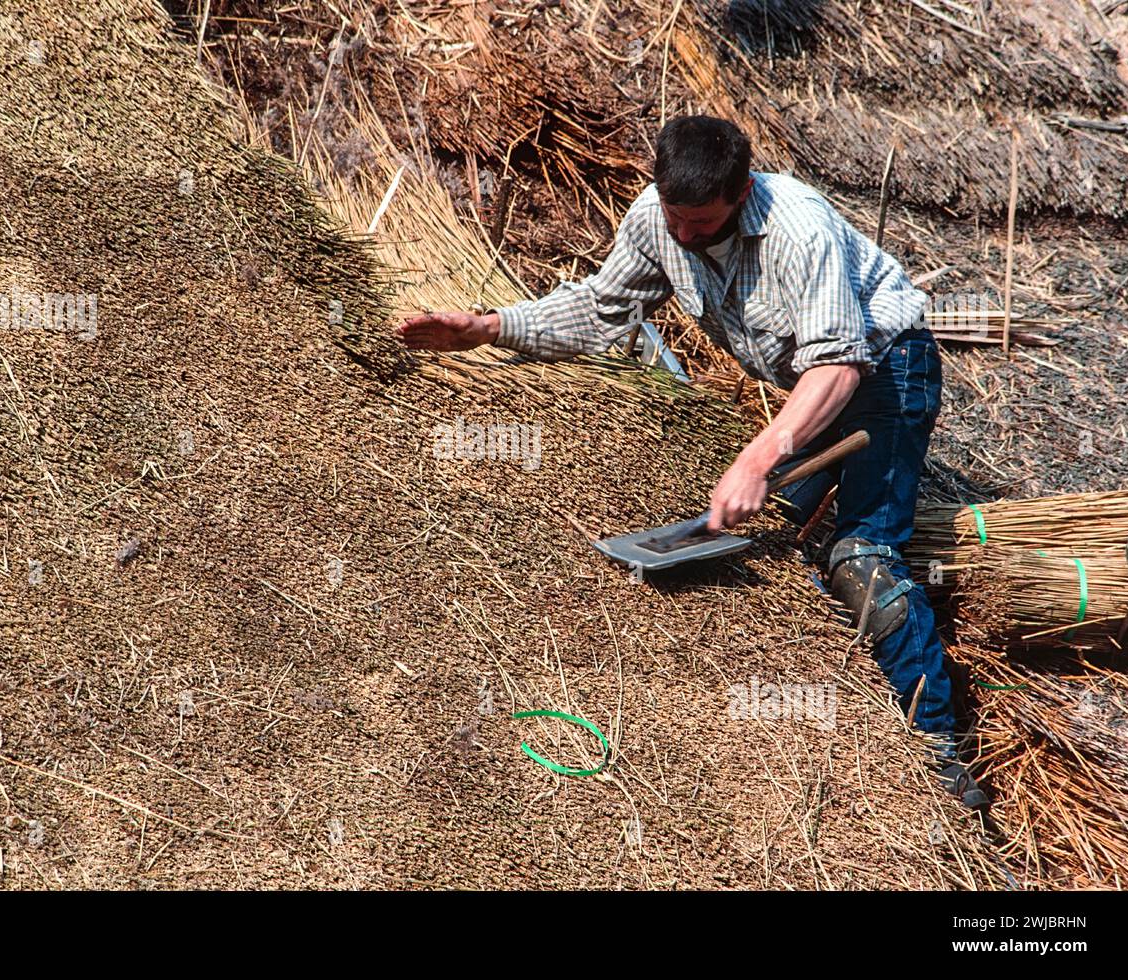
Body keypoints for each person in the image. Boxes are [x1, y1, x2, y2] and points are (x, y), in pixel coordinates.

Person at [395, 115, 989, 809]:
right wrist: (487, 327)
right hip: (817, 384)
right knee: (770, 543)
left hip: (886, 370)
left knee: (860, 555)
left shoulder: (800, 228)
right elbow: (601, 309)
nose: (683, 235)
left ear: (741, 194)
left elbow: (838, 364)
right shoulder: (659, 218)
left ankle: (940, 751)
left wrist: (759, 456)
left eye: (701, 221)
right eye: (675, 216)